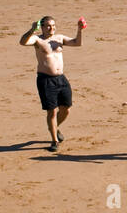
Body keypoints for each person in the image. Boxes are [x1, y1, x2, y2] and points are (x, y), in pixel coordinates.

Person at [19, 15, 84, 152]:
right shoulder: (37, 39)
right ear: (42, 27)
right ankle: (54, 140)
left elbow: (77, 43)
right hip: (45, 79)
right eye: (48, 25)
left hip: (61, 79)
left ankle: (54, 127)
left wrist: (79, 29)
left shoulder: (59, 38)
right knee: (52, 112)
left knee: (66, 109)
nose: (51, 28)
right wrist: (31, 30)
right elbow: (23, 42)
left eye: (53, 25)